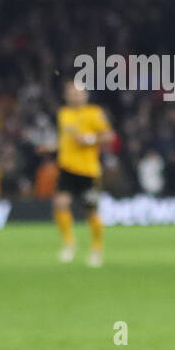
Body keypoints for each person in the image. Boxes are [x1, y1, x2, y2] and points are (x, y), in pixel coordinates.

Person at [53, 81, 113, 267]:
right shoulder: (63, 114)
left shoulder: (94, 113)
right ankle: (69, 244)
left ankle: (97, 248)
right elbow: (65, 139)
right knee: (60, 203)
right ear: (66, 96)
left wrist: (88, 138)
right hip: (66, 168)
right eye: (72, 93)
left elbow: (108, 136)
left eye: (79, 93)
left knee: (91, 211)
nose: (75, 96)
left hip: (88, 170)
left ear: (85, 95)